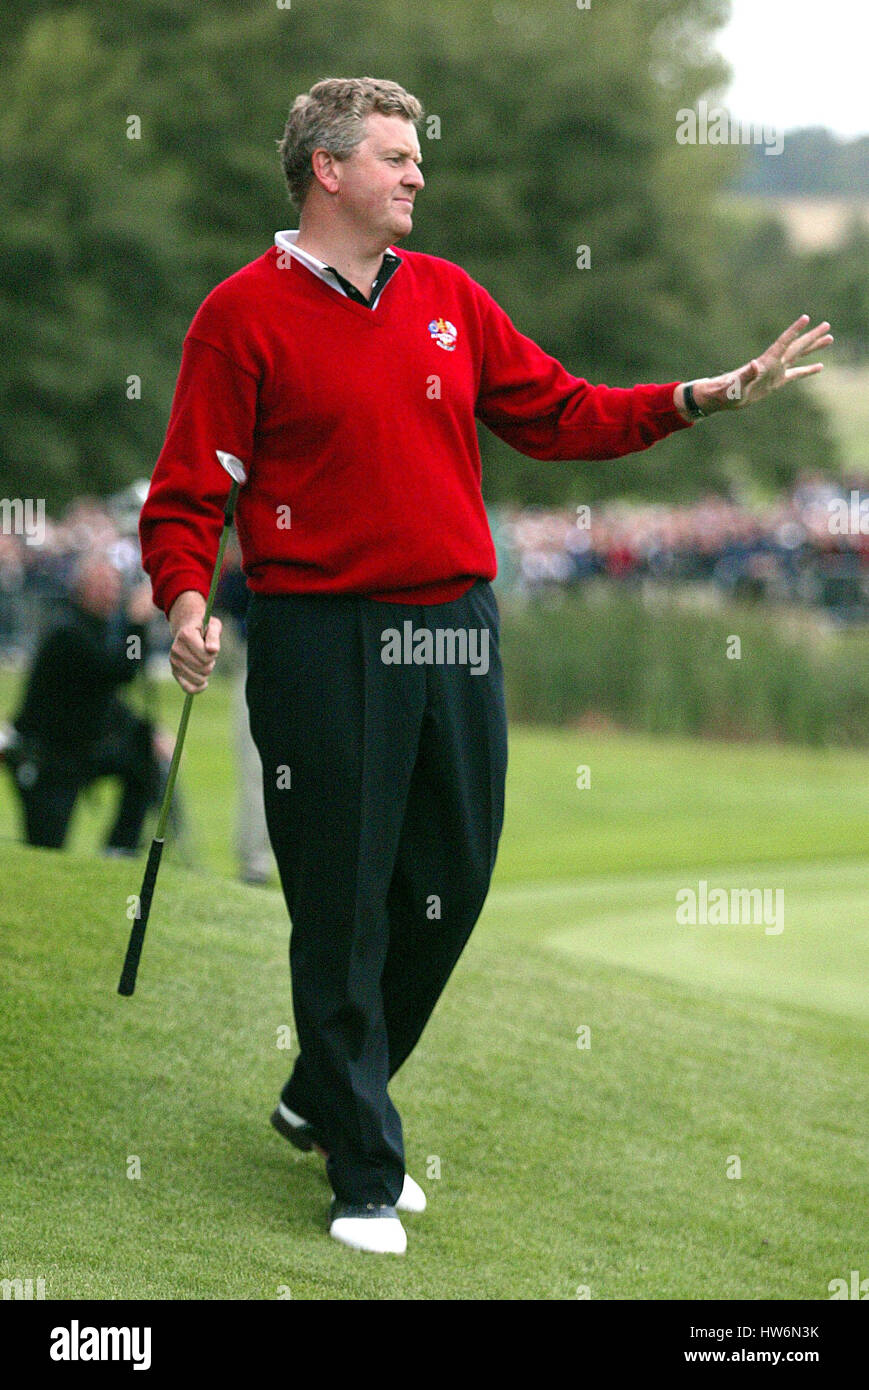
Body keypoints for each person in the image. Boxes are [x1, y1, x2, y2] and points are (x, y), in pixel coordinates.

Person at [138, 77, 832, 1254]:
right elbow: (189, 491)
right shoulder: (239, 315)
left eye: (416, 158)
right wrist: (188, 600)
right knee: (342, 900)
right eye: (397, 158)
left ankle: (320, 1090)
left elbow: (559, 411)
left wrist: (705, 395)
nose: (417, 175)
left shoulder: (449, 296)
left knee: (450, 879)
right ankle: (360, 1163)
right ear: (328, 170)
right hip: (322, 633)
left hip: (455, 620)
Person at [7, 551, 160, 853]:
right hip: (48, 756)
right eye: (102, 586)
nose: (111, 594)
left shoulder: (95, 627)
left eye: (114, 586)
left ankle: (120, 849)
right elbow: (119, 671)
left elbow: (102, 694)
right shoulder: (68, 632)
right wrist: (137, 625)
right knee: (47, 847)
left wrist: (146, 730)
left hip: (80, 749)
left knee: (141, 760)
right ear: (81, 589)